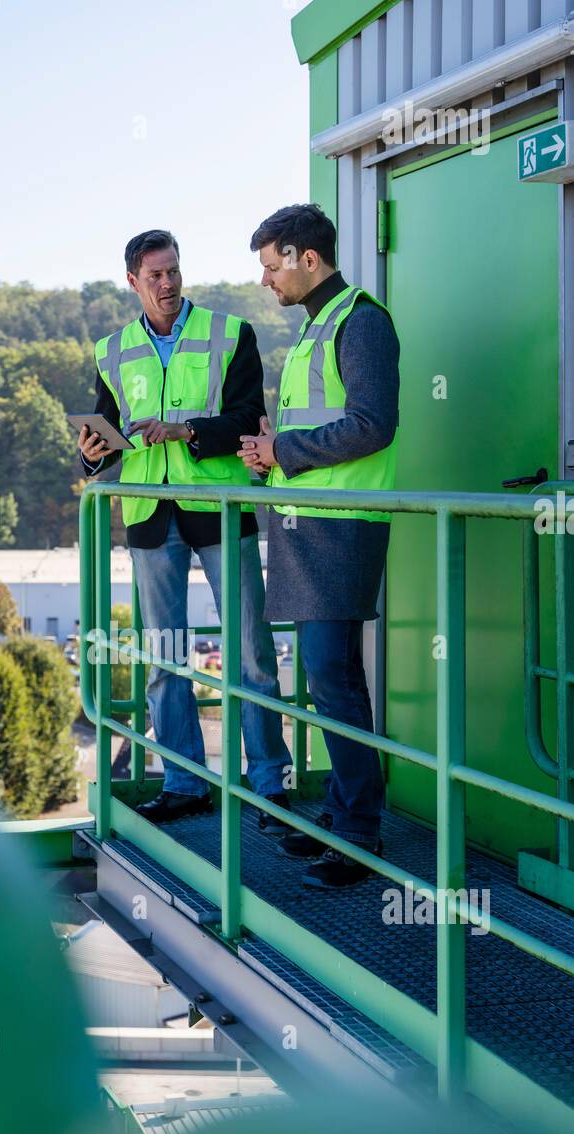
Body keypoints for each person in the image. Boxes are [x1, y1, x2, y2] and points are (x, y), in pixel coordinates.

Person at [79, 228, 290, 826]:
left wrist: (189, 431)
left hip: (221, 506)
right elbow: (104, 444)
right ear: (133, 283)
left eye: (174, 271)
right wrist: (92, 452)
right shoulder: (111, 351)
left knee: (250, 651)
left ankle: (268, 784)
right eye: (155, 276)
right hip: (149, 516)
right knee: (164, 655)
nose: (168, 284)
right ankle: (183, 781)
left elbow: (251, 417)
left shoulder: (230, 334)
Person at [239, 204, 399, 888]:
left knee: (335, 678)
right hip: (307, 522)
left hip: (342, 525)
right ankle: (341, 817)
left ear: (308, 258)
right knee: (326, 679)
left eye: (273, 267)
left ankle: (360, 833)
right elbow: (319, 429)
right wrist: (270, 457)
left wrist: (285, 450)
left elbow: (373, 426)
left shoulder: (360, 321)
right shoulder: (314, 329)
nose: (268, 281)